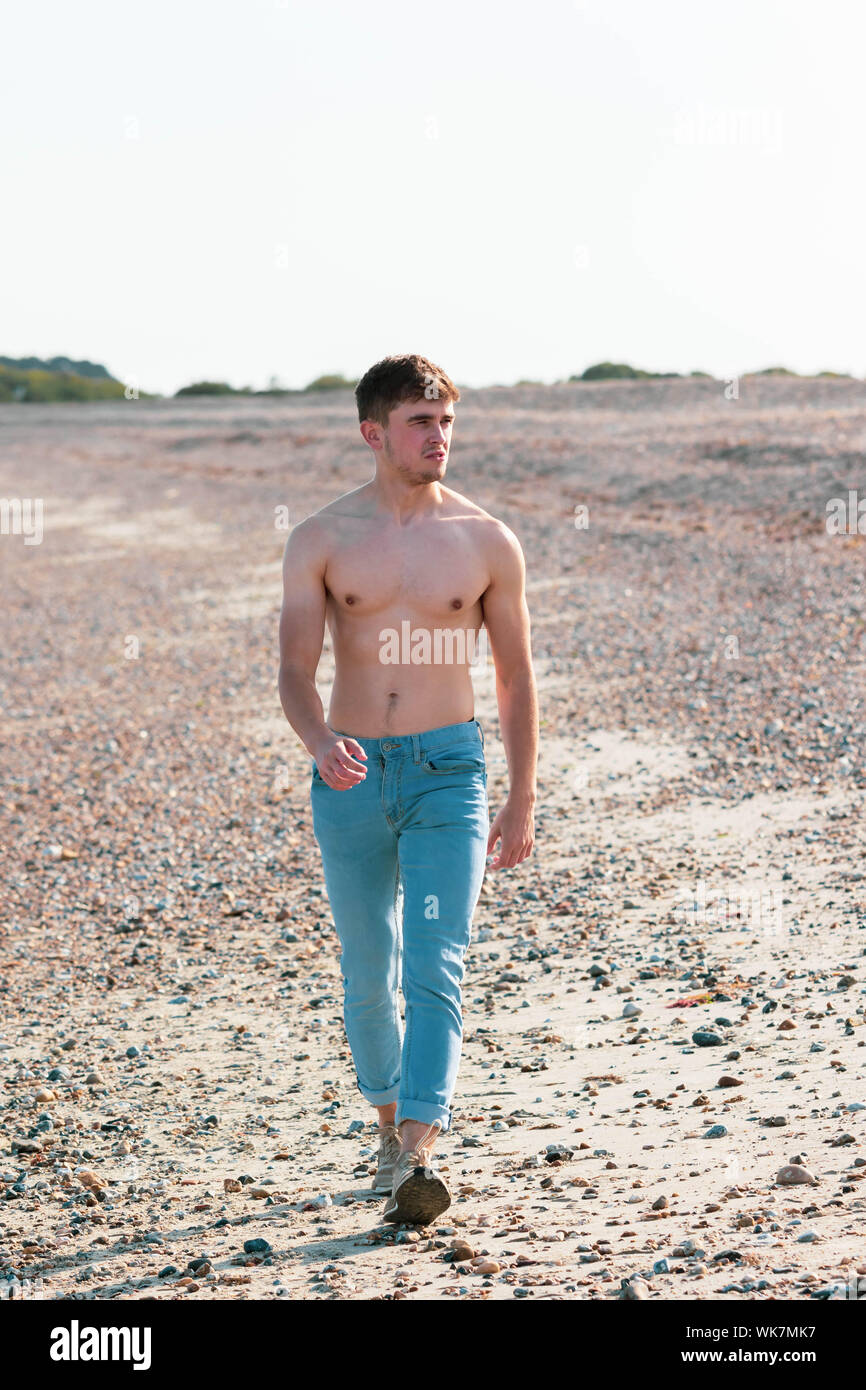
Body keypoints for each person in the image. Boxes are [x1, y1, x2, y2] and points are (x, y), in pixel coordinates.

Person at [277, 353, 537, 1224]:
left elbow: (514, 679)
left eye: (448, 422)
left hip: (447, 772)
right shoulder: (321, 537)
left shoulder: (485, 539)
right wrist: (319, 742)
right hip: (348, 773)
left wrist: (521, 795)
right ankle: (390, 1132)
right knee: (367, 970)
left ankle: (419, 1150)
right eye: (422, 422)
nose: (439, 438)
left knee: (437, 960)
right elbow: (291, 671)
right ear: (374, 432)